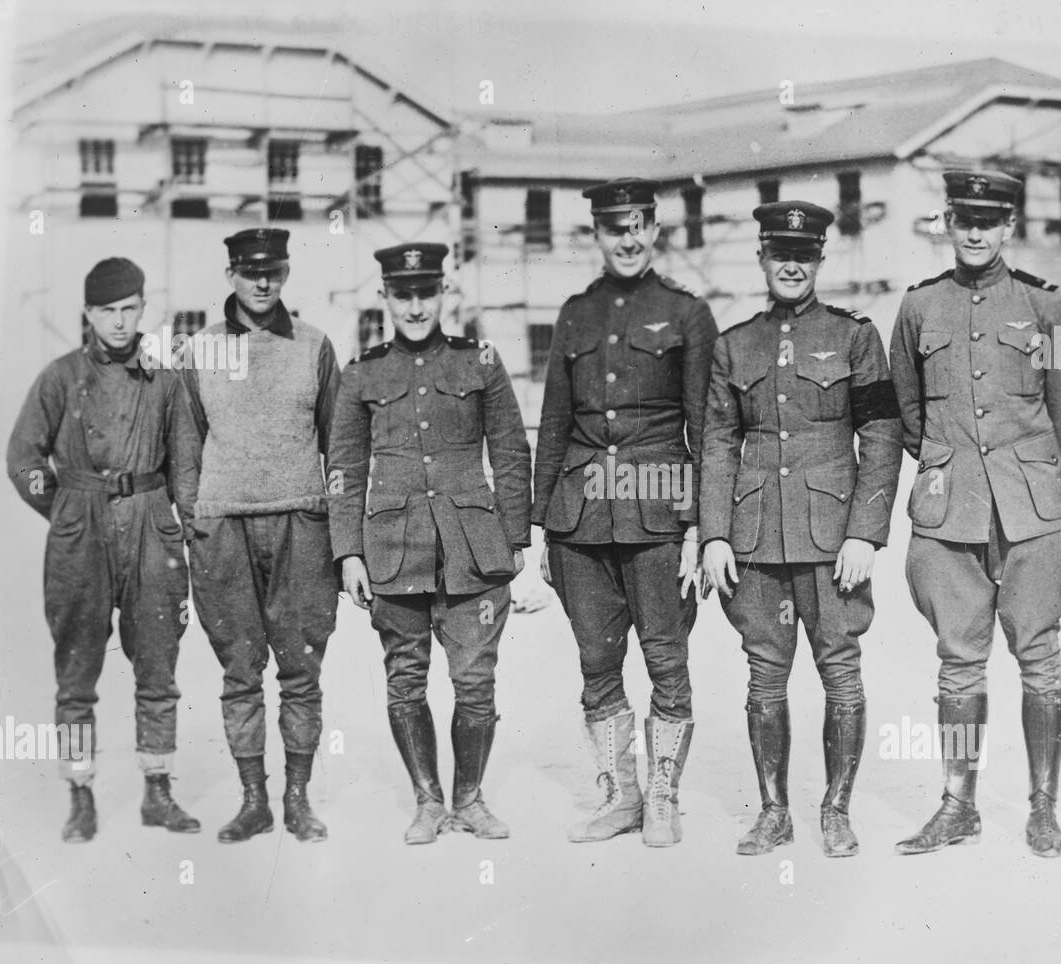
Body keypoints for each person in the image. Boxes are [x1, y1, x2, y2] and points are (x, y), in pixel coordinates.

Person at [886, 170, 1061, 858]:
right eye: (962, 218)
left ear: (1008, 226)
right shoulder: (919, 308)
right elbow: (909, 413)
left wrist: (1039, 477)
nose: (974, 231)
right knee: (957, 664)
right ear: (946, 222)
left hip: (1031, 515)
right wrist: (949, 470)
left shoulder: (1044, 305)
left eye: (989, 219)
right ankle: (958, 804)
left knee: (1041, 659)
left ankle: (1041, 806)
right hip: (950, 516)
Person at [701, 201, 902, 857]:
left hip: (831, 534)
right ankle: (772, 810)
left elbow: (880, 433)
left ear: (820, 258)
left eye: (805, 253)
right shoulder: (734, 345)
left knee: (840, 671)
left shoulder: (854, 336)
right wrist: (713, 534)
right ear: (761, 258)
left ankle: (836, 808)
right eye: (779, 252)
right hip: (755, 538)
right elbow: (719, 442)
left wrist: (865, 532)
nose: (792, 264)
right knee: (764, 675)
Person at [533, 177, 718, 847]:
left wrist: (703, 524)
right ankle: (621, 793)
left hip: (660, 513)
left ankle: (664, 795)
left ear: (656, 230)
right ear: (600, 235)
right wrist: (538, 530)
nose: (630, 237)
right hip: (579, 519)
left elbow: (707, 427)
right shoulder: (575, 315)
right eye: (617, 227)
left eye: (640, 224)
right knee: (595, 659)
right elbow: (554, 420)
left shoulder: (687, 313)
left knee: (667, 658)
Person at [328, 243, 531, 844]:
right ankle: (427, 801)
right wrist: (349, 553)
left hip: (474, 551)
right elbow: (343, 466)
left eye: (426, 293)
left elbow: (512, 449)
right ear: (386, 298)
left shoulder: (482, 361)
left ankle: (469, 798)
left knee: (475, 681)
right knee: (405, 680)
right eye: (402, 294)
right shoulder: (362, 373)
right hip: (392, 551)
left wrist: (514, 537)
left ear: (445, 294)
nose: (415, 307)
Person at [7, 257, 198, 842]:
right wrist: (64, 512)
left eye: (129, 309)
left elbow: (186, 468)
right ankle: (81, 792)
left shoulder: (165, 382)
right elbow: (23, 461)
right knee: (76, 670)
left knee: (158, 666)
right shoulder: (60, 378)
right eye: (107, 311)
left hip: (149, 528)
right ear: (88, 313)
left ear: (143, 309)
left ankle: (158, 790)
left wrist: (186, 532)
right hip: (81, 534)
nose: (119, 322)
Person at [178, 228, 341, 843]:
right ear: (231, 276)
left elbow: (341, 442)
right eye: (250, 272)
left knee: (301, 669)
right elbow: (185, 444)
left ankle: (296, 798)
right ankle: (254, 802)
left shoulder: (314, 345)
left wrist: (335, 521)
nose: (262, 283)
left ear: (286, 272)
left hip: (301, 523)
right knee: (240, 671)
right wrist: (198, 516)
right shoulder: (201, 350)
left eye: (272, 271)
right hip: (223, 531)